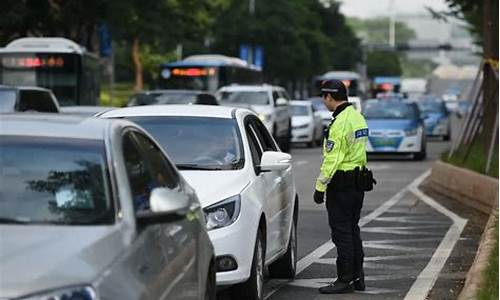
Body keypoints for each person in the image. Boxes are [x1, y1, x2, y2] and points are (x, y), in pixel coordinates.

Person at [313, 79, 370, 294]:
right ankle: (357, 277)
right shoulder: (357, 117)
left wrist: (320, 187)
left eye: (324, 97)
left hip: (342, 185)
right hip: (357, 183)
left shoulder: (340, 123)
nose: (323, 101)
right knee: (353, 230)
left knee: (342, 233)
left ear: (329, 97)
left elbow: (333, 159)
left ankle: (344, 279)